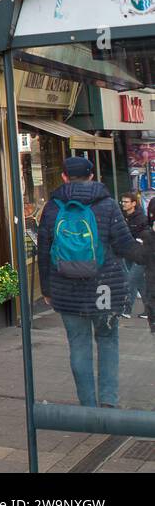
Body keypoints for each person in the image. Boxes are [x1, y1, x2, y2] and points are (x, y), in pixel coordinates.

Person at [39, 158, 142, 409]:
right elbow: (124, 245)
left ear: (63, 177)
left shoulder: (52, 208)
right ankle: (109, 401)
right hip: (104, 287)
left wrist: (47, 289)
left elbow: (43, 251)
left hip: (65, 289)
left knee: (78, 345)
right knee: (107, 340)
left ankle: (87, 406)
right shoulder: (107, 205)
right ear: (92, 176)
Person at [118, 192, 153, 326]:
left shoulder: (141, 219)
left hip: (141, 254)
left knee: (131, 280)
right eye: (123, 202)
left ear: (134, 203)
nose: (124, 204)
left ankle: (126, 309)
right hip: (128, 253)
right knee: (140, 283)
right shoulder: (123, 218)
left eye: (126, 202)